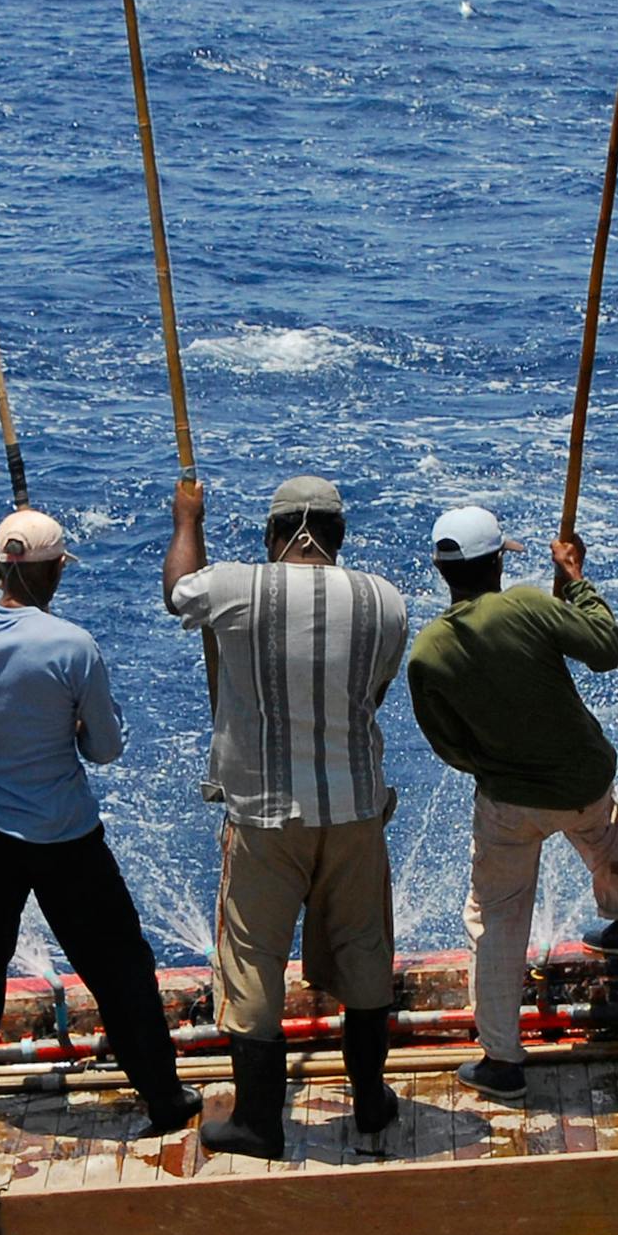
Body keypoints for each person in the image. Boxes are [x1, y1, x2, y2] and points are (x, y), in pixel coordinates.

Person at [163, 472, 412, 1158]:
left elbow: (177, 593)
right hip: (356, 809)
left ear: (278, 536)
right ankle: (369, 1100)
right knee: (364, 951)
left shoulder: (238, 586)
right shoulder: (385, 602)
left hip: (266, 817)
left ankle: (259, 1120)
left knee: (252, 960)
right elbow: (376, 694)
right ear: (337, 538)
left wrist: (188, 519)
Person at [0, 507, 197, 1141]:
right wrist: (76, 728)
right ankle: (163, 1097)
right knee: (118, 967)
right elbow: (105, 748)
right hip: (62, 837)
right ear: (54, 571)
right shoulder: (72, 646)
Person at [403, 505, 618, 1104]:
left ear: (445, 573)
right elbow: (606, 647)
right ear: (498, 561)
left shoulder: (427, 652)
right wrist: (575, 580)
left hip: (508, 803)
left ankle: (502, 1061)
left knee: (497, 921)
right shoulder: (528, 604)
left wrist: (498, 766)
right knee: (608, 843)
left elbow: (448, 744)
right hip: (581, 782)